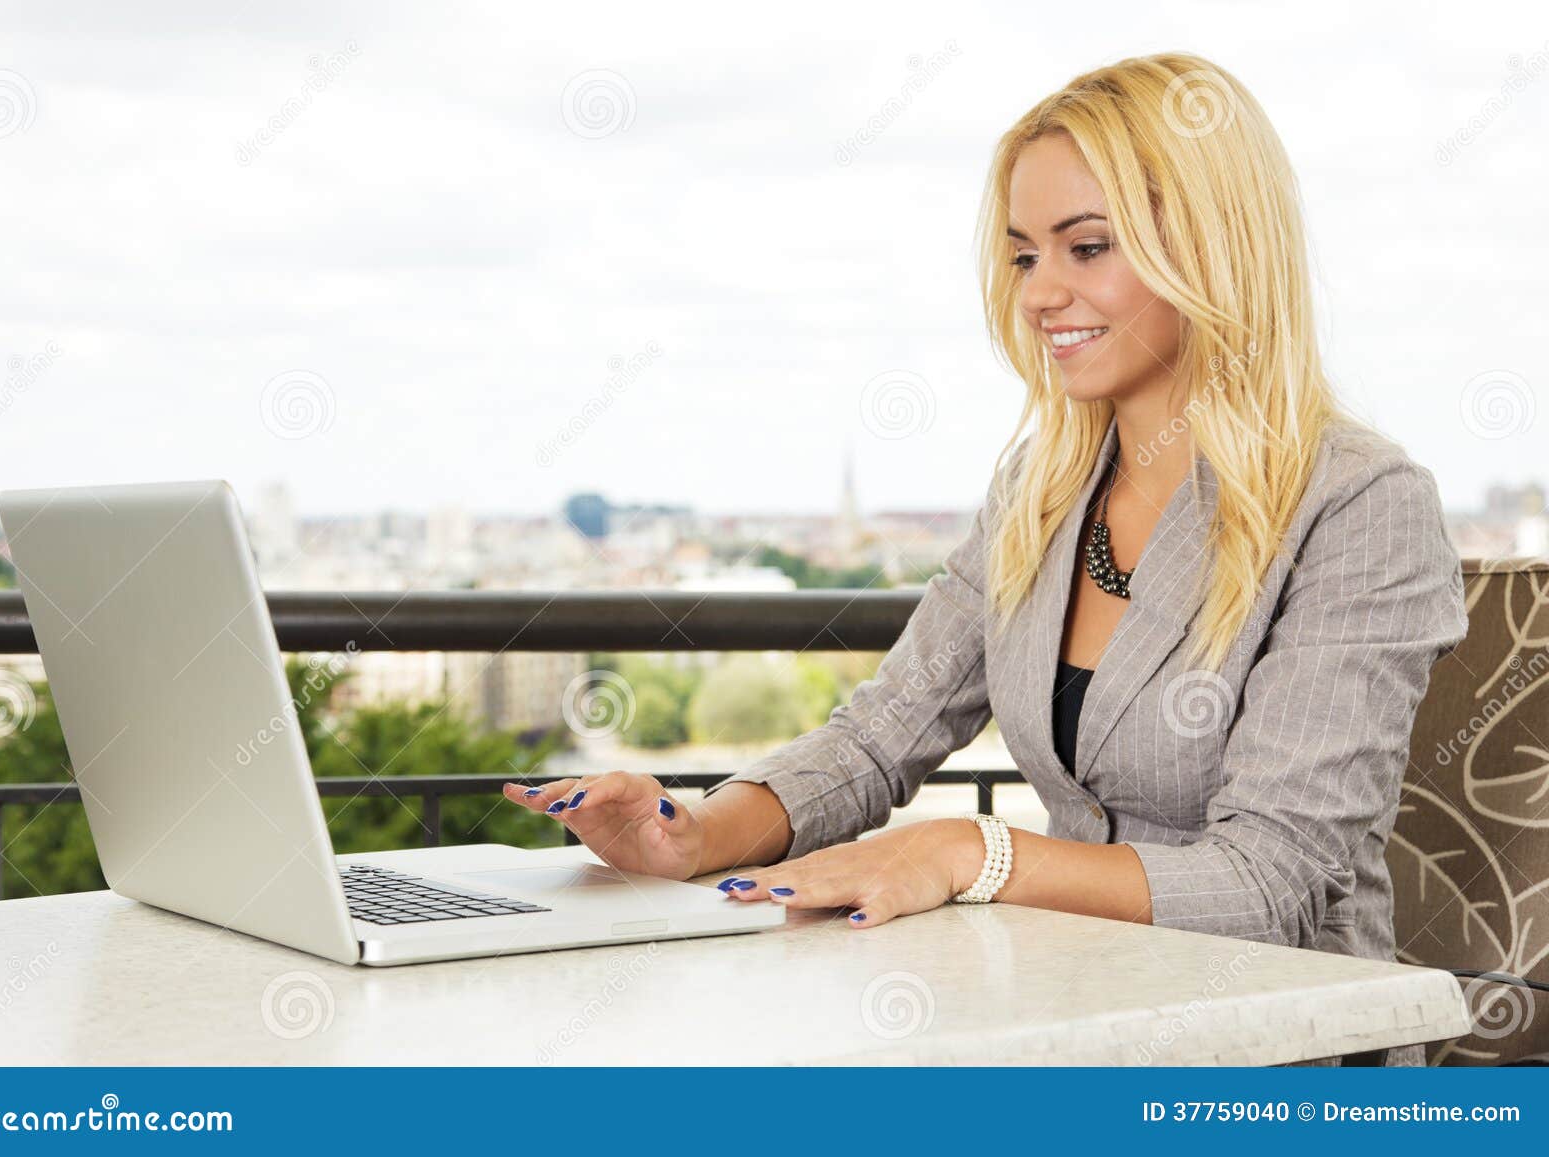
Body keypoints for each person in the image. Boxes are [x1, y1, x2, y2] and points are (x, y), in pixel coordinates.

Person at [503, 52, 1468, 1066]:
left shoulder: (1360, 503)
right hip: (1074, 1017)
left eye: (1085, 247)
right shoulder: (1041, 490)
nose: (1040, 293)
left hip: (1282, 1059)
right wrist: (693, 835)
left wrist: (972, 850)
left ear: (1215, 246)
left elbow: (1272, 878)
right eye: (1022, 257)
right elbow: (880, 737)